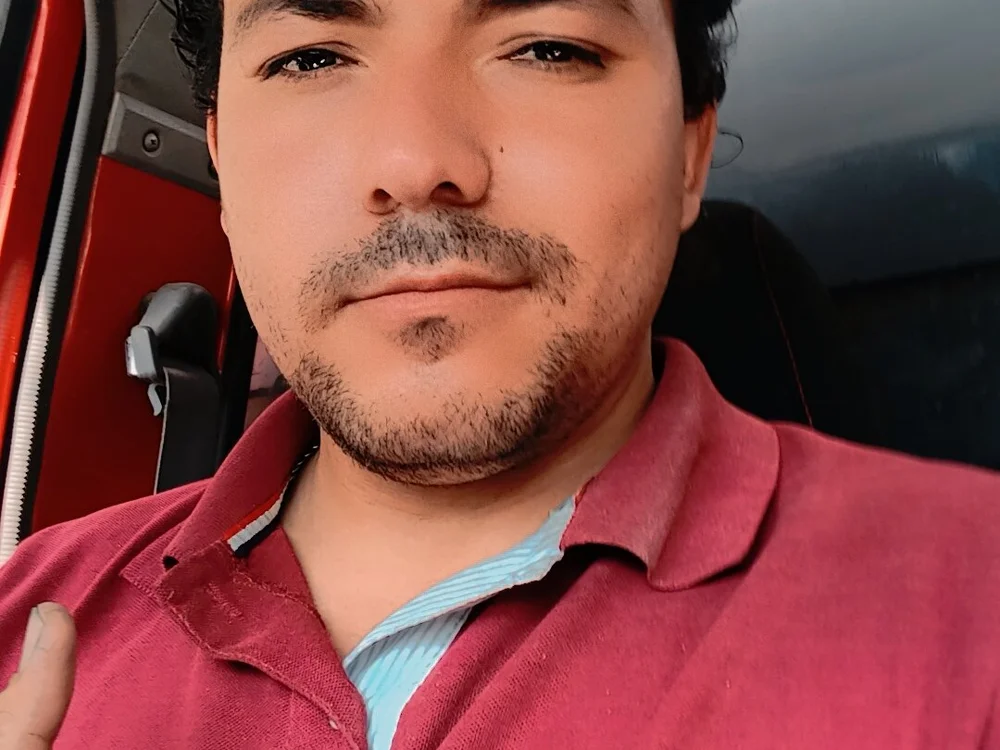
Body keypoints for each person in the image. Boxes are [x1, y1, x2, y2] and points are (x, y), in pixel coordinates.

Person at [1, 0, 998, 747]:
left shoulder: (968, 612)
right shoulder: (27, 610)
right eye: (311, 56)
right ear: (221, 159)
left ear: (689, 151)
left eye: (546, 47)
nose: (414, 161)